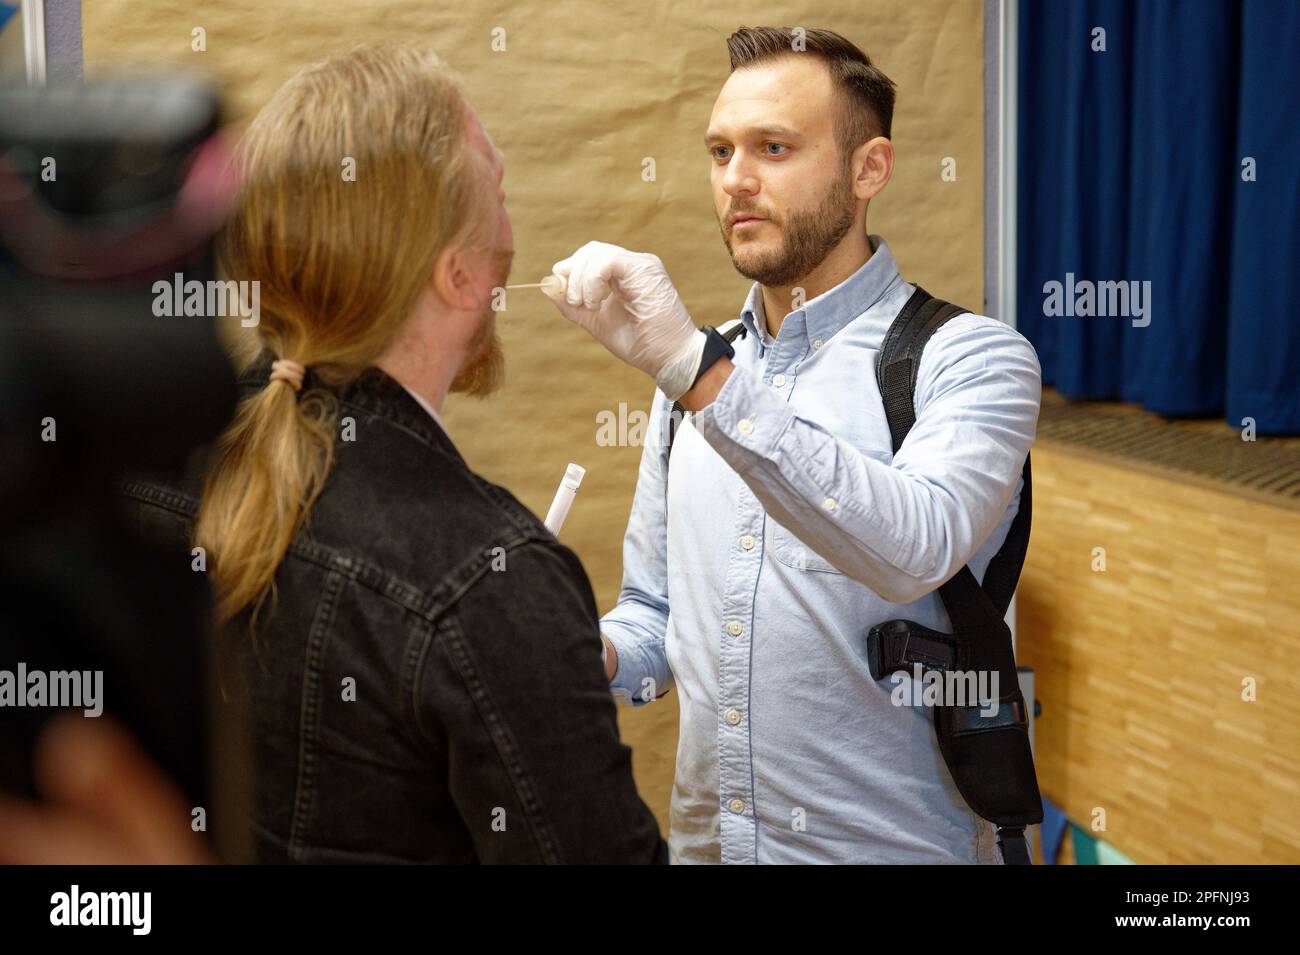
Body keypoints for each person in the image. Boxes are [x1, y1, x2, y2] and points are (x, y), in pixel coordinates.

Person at [119, 42, 665, 864]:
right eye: (503, 198)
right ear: (456, 275)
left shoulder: (138, 471)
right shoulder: (487, 577)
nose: (513, 234)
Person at [545, 26, 1041, 863]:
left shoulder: (973, 357)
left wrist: (699, 377)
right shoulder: (692, 379)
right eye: (720, 150)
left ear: (868, 169)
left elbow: (913, 545)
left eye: (774, 148)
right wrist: (582, 652)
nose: (736, 179)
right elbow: (657, 620)